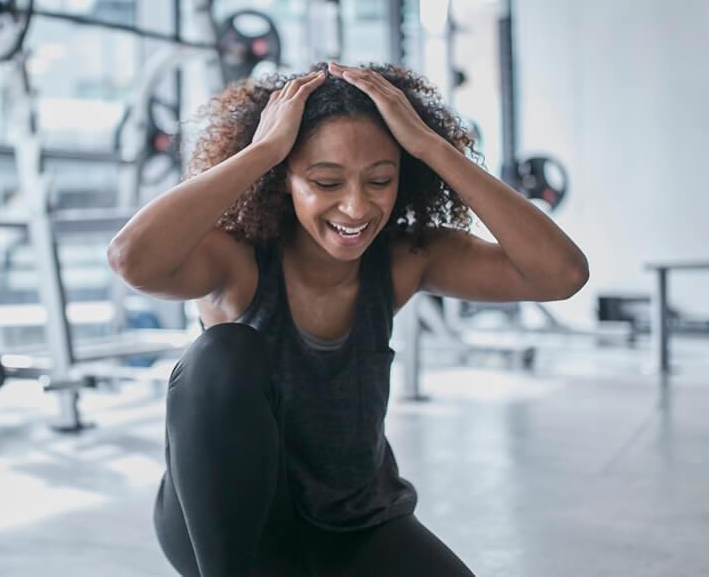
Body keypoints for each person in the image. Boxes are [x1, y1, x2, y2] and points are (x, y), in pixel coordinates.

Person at [107, 61, 589, 576]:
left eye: (379, 179)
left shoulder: (405, 259)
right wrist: (264, 150)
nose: (356, 207)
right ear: (284, 180)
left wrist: (430, 146)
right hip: (238, 534)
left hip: (353, 521)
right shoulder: (239, 264)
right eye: (326, 180)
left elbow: (560, 275)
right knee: (222, 354)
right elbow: (132, 259)